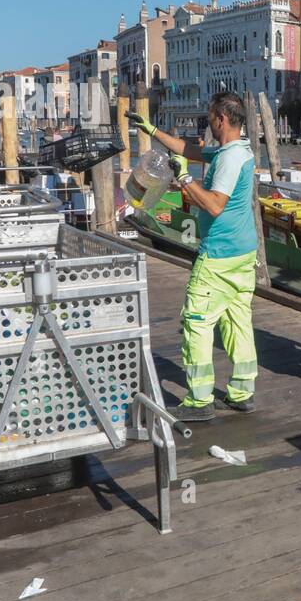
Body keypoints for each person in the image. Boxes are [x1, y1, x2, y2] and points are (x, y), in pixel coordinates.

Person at [129, 92, 258, 422]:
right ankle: (242, 391)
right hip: (243, 253)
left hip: (219, 254)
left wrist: (184, 178)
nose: (208, 123)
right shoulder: (236, 150)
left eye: (210, 117)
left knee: (196, 322)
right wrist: (152, 131)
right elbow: (189, 150)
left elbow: (215, 204)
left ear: (221, 119)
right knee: (237, 321)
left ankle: (200, 399)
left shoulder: (229, 159)